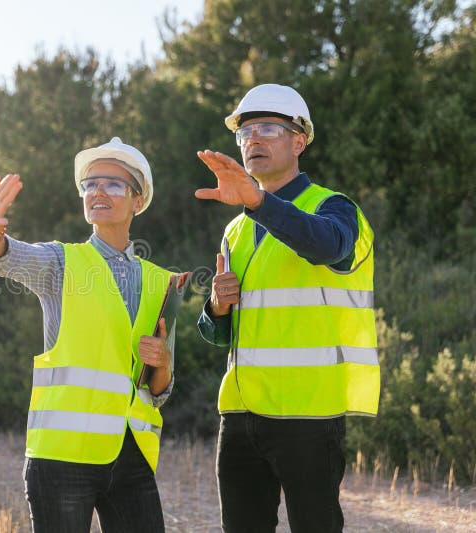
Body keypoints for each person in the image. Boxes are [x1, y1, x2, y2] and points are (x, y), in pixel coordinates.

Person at [193, 84, 380, 533]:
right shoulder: (236, 230)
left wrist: (258, 202)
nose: (252, 140)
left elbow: (327, 246)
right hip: (240, 414)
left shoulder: (334, 208)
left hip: (308, 414)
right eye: (245, 132)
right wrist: (217, 307)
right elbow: (222, 332)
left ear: (299, 141)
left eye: (268, 129)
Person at [0, 137, 176, 533]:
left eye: (113, 184)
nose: (98, 191)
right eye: (90, 184)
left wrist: (163, 364)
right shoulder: (60, 263)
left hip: (131, 457)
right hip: (62, 459)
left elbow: (159, 390)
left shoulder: (162, 283)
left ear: (138, 200)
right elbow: (8, 257)